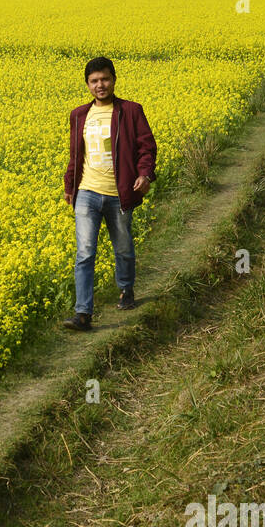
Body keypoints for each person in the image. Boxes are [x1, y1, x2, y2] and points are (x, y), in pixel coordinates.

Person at [62, 56, 157, 331]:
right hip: (87, 193)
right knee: (85, 252)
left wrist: (144, 174)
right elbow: (75, 155)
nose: (100, 85)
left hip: (119, 193)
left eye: (104, 79)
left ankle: (126, 290)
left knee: (124, 248)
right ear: (87, 85)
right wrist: (70, 187)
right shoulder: (79, 115)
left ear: (114, 80)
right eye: (94, 81)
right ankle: (83, 314)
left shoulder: (131, 111)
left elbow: (146, 148)